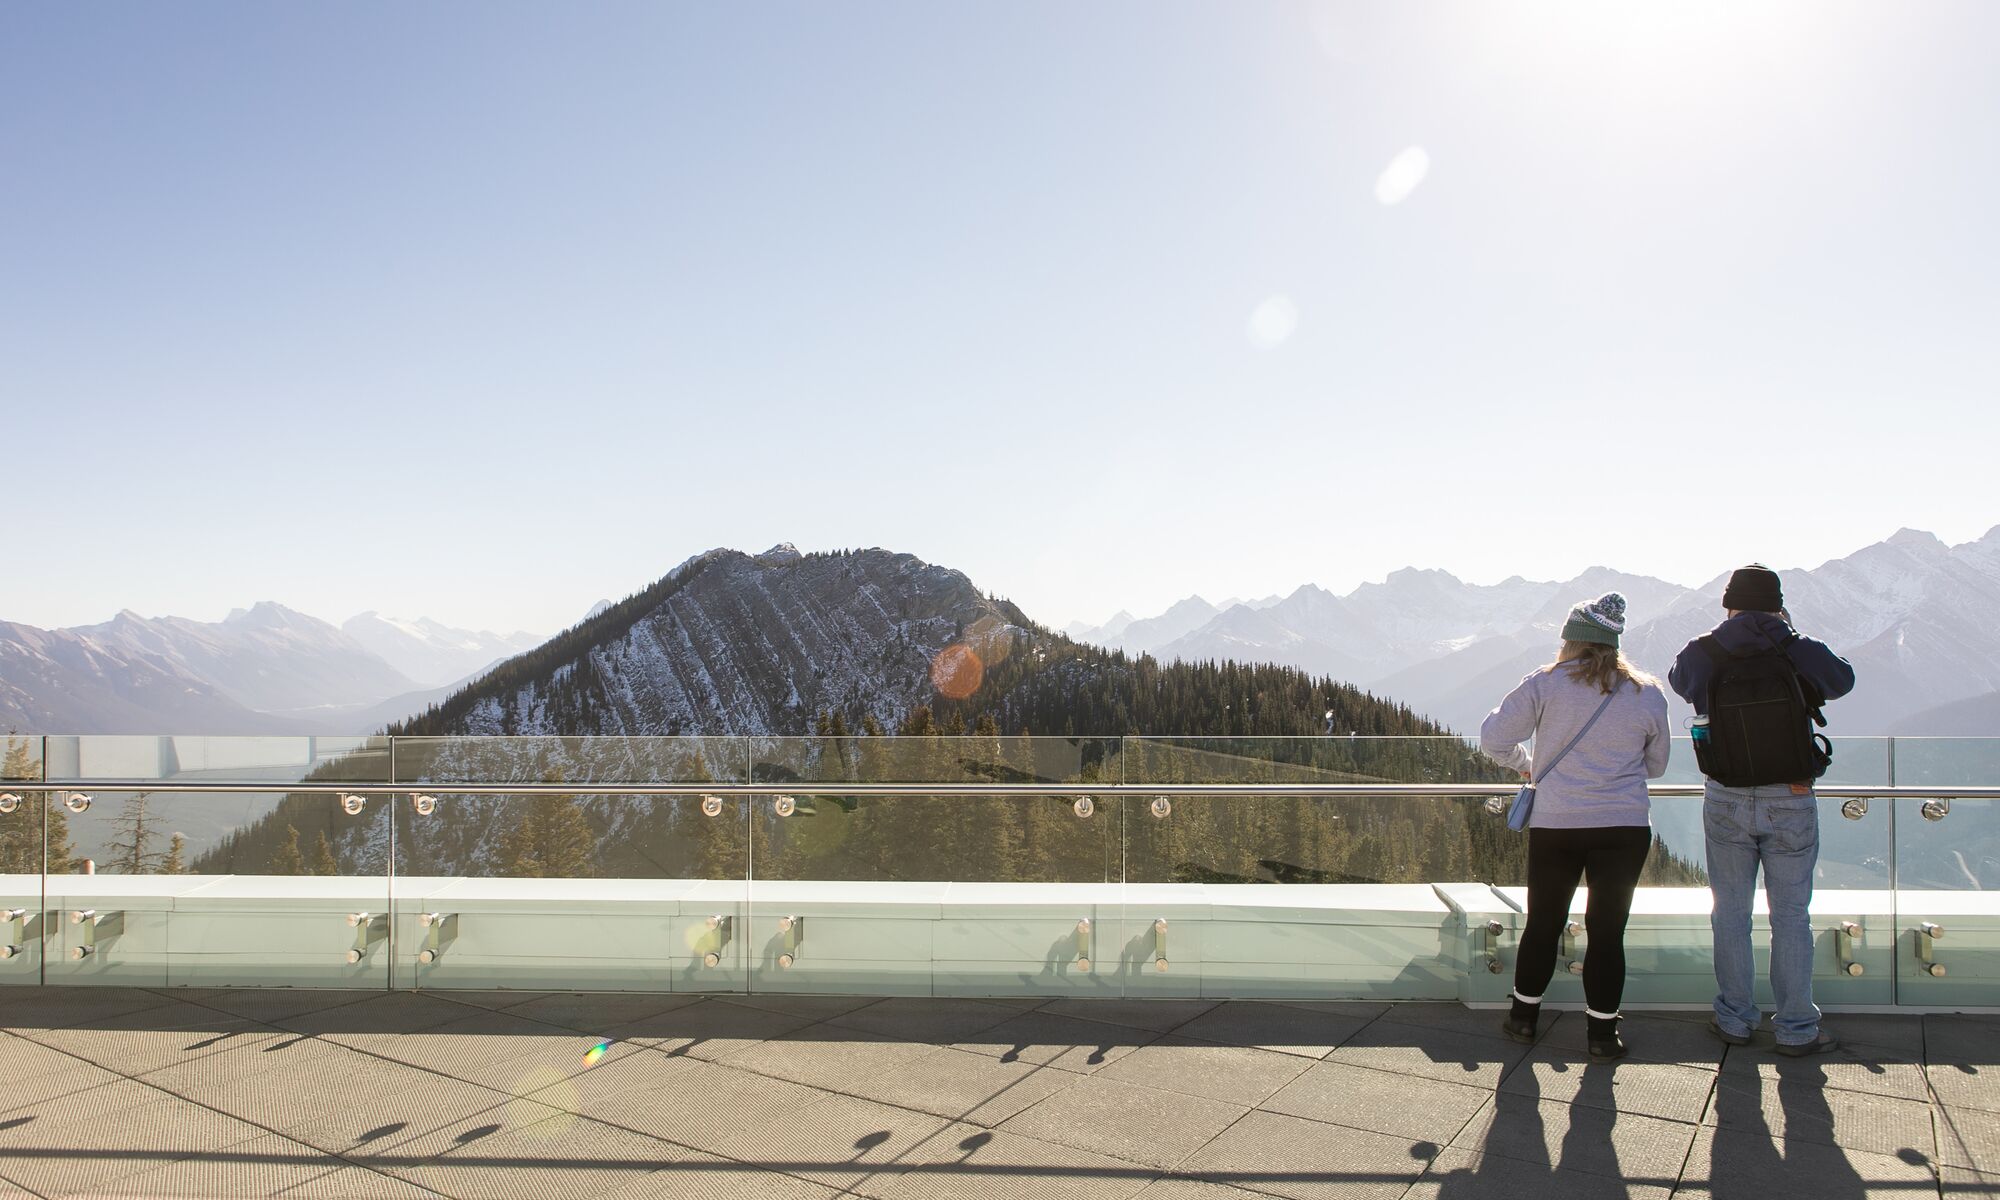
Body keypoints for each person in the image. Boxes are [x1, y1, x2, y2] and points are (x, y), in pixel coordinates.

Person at [1670, 563, 1855, 1056]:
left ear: (1729, 604)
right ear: (1777, 605)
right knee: (1790, 915)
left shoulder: (1703, 650)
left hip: (1726, 795)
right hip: (1789, 796)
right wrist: (1789, 634)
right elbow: (1842, 680)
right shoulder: (1797, 646)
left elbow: (1681, 683)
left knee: (1730, 913)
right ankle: (1796, 1027)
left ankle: (1735, 1019)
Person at [1480, 592, 1671, 1060]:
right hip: (1623, 826)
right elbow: (1657, 764)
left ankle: (1523, 1018)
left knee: (1544, 922)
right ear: (1613, 642)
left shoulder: (1544, 683)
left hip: (1557, 824)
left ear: (1570, 639)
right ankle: (1602, 1035)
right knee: (1607, 930)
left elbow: (1493, 739)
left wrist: (1527, 764)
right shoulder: (1647, 693)